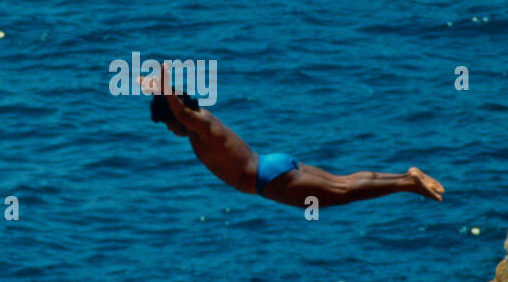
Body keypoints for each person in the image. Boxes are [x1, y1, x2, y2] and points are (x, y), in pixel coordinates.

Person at [143, 71, 444, 209]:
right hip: (272, 167)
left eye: (169, 125)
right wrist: (156, 91)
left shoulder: (199, 124)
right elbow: (179, 111)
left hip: (269, 179)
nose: (170, 131)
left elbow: (180, 113)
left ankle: (408, 183)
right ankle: (408, 178)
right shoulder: (199, 122)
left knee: (344, 192)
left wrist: (163, 83)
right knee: (343, 182)